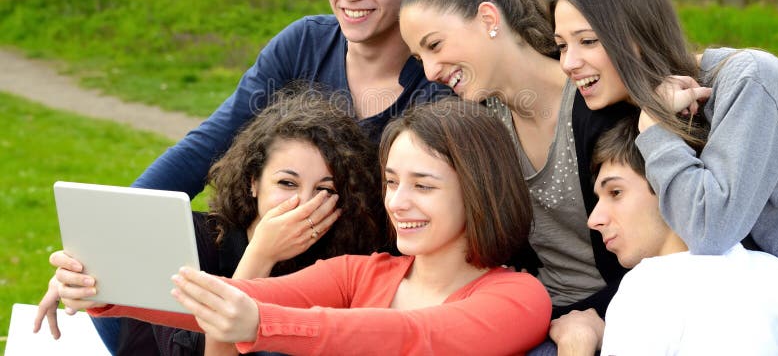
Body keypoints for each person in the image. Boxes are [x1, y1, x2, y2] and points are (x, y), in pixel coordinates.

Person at [34, 0, 448, 349]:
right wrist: (98, 250)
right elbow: (205, 147)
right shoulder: (302, 45)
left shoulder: (435, 83)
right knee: (129, 275)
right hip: (264, 256)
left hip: (357, 285)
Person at [52, 98, 553, 355]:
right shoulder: (359, 273)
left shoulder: (518, 297)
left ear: (479, 191)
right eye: (392, 181)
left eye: (423, 186)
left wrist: (261, 323)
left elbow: (412, 338)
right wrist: (105, 289)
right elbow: (233, 298)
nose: (398, 202)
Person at [399, 0, 636, 344]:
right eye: (419, 57)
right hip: (526, 312)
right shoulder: (481, 122)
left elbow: (658, 255)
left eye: (435, 45)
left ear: (489, 19)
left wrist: (582, 327)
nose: (429, 71)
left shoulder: (597, 102)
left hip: (614, 314)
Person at [59, 88, 386, 355]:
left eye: (324, 189)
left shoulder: (343, 263)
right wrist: (261, 254)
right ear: (253, 182)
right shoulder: (190, 241)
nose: (302, 202)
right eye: (287, 184)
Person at [551, 0, 778, 276]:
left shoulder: (749, 80)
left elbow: (711, 230)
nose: (569, 63)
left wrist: (654, 129)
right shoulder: (624, 112)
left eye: (587, 41)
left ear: (638, 34)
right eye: (561, 46)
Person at [584, 118, 778, 355]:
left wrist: (577, 343)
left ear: (668, 182)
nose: (594, 219)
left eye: (616, 192)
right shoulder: (775, 272)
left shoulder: (646, 292)